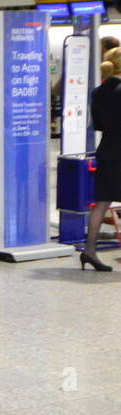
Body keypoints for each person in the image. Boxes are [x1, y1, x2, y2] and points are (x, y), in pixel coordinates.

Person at [82, 59, 121, 271]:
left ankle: (89, 250)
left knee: (102, 202)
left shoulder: (98, 92)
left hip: (107, 149)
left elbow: (97, 125)